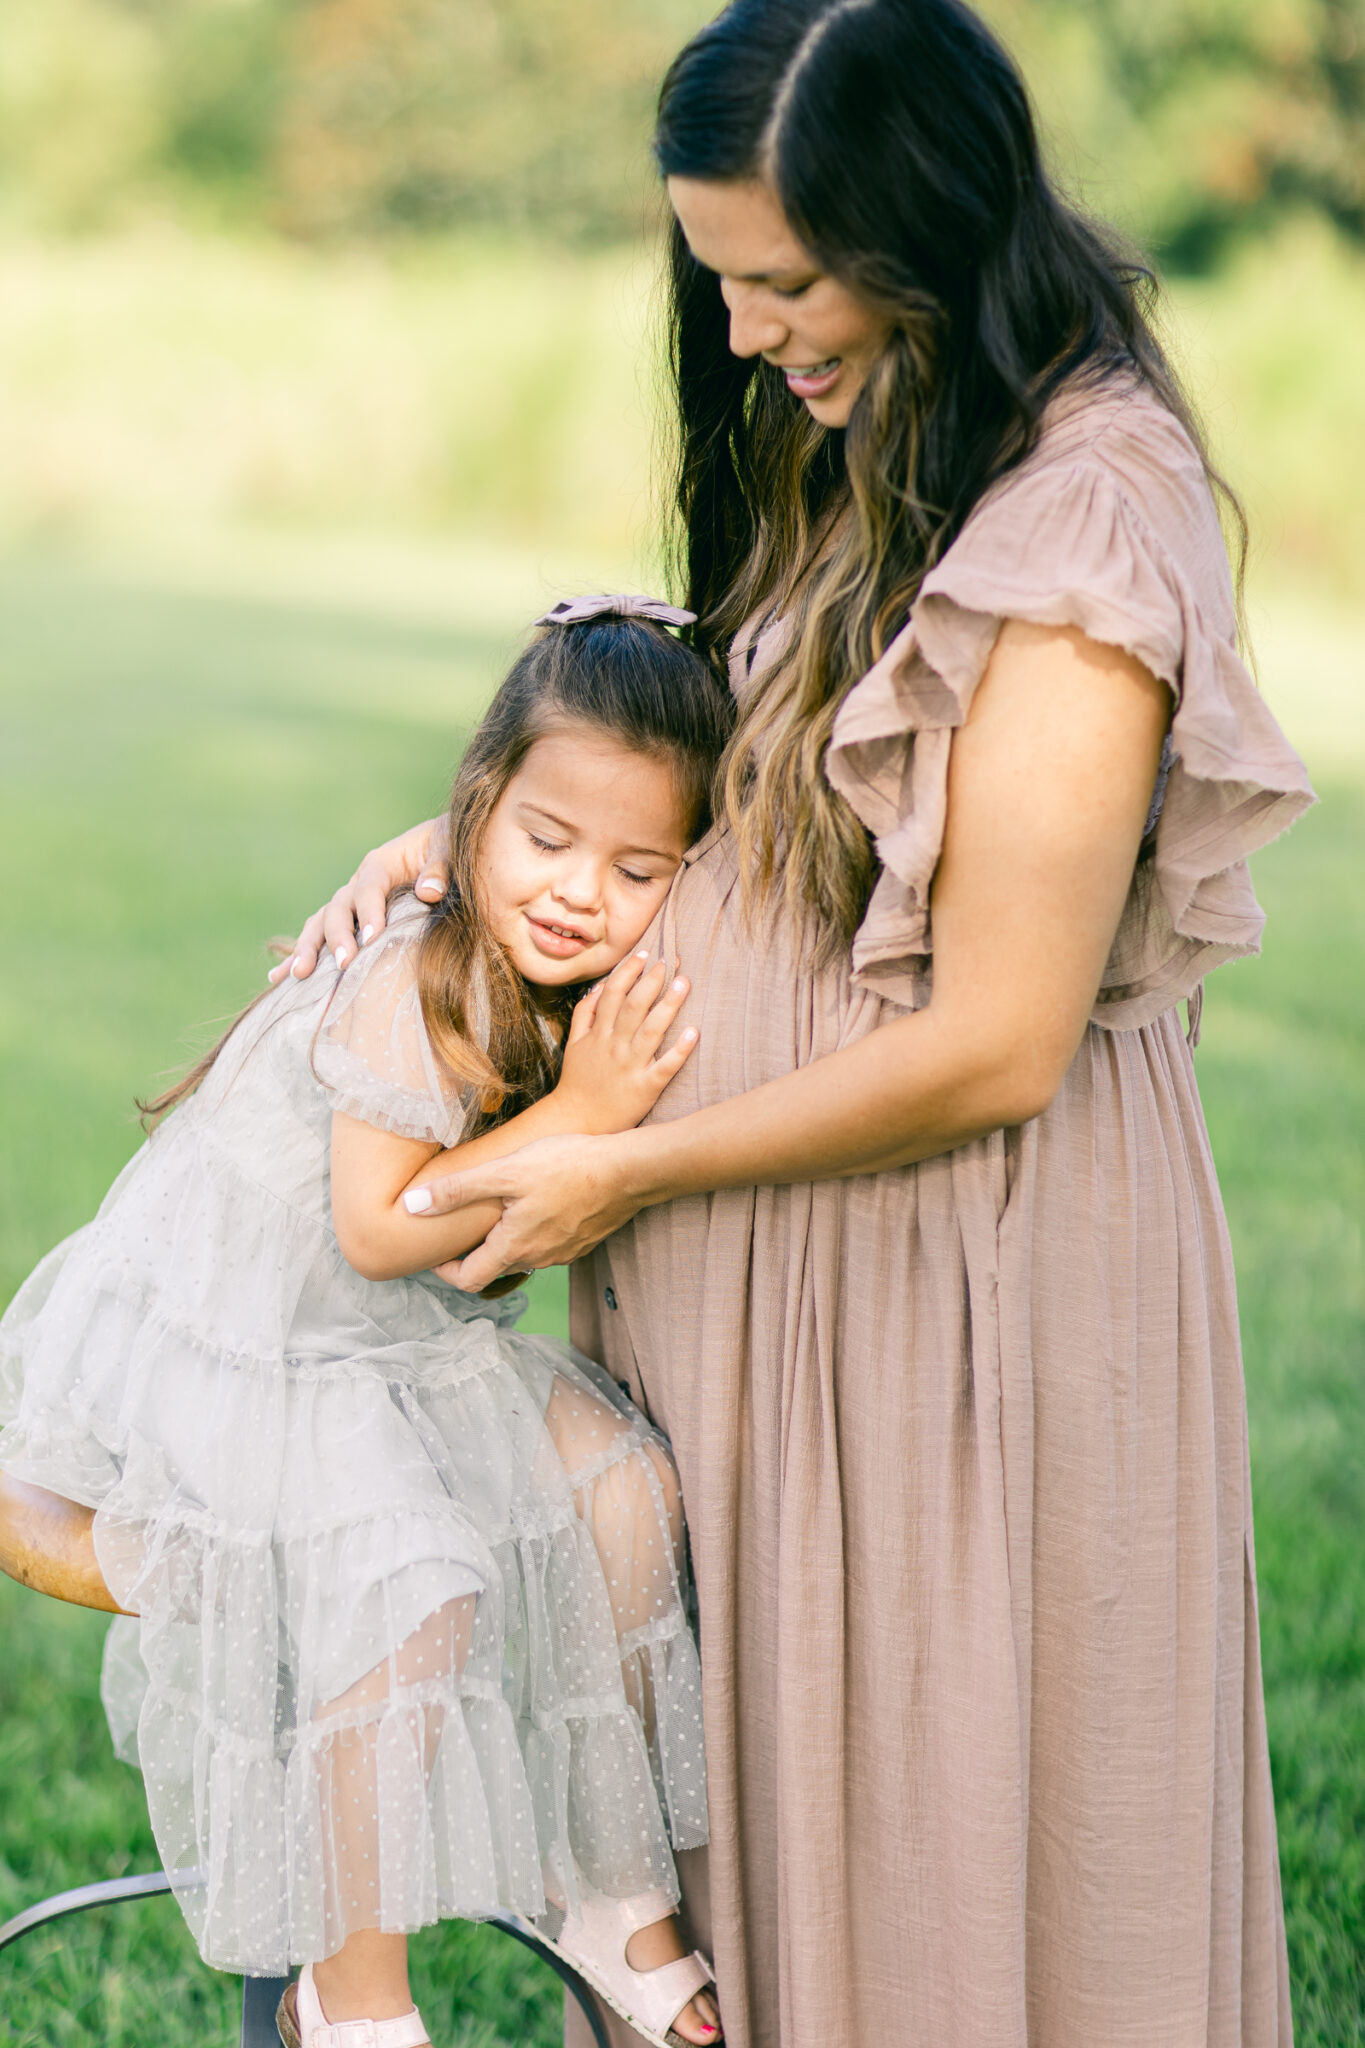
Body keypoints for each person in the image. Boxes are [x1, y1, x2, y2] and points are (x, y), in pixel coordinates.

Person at [266, 3, 1317, 2044]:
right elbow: (746, 772)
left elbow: (1002, 1037)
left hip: (949, 1307)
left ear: (922, 224)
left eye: (780, 278)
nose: (746, 331)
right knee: (747, 1844)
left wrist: (613, 1156)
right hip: (778, 1302)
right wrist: (474, 839)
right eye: (718, 277)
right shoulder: (879, 438)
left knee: (933, 1832)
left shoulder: (1084, 518)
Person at [0, 604, 734, 2048]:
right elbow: (377, 1231)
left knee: (628, 1494)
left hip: (400, 1348)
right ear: (476, 817)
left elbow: (419, 1281)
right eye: (548, 842)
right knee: (409, 1592)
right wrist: (582, 1120)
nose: (582, 891)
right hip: (256, 1349)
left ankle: (612, 1892)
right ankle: (353, 1998)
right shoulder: (413, 976)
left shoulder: (540, 930)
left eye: (638, 869)